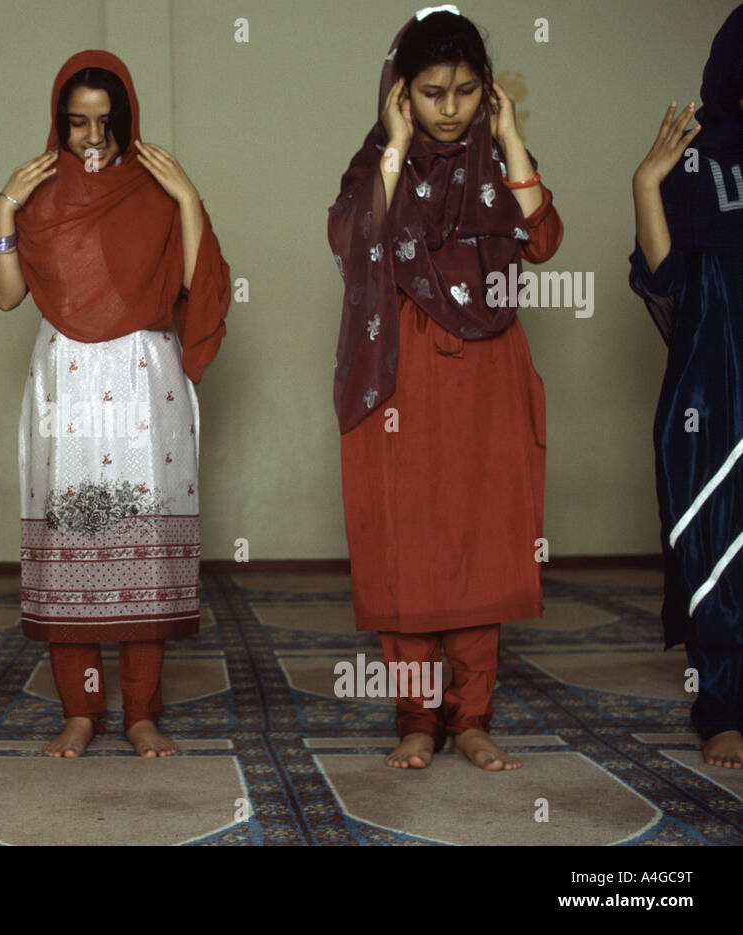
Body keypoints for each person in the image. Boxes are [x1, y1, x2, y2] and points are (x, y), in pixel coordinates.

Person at [328, 8, 563, 771]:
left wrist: (515, 138)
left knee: (483, 538)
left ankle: (472, 717)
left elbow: (546, 238)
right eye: (431, 92)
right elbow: (355, 237)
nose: (451, 107)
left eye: (466, 91)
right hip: (404, 371)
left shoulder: (495, 161)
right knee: (409, 540)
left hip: (488, 369)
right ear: (401, 93)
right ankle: (417, 720)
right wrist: (395, 144)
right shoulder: (376, 162)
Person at [0, 50, 230, 758]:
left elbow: (197, 282)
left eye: (106, 123)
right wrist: (4, 205)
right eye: (76, 124)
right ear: (58, 124)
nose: (92, 139)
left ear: (128, 122)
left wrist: (186, 198)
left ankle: (144, 712)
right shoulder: (37, 199)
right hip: (65, 378)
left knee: (144, 544)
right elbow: (5, 293)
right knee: (73, 544)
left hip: (144, 378)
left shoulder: (154, 193)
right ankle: (81, 709)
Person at [629, 5, 743, 769]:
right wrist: (646, 180)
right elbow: (664, 275)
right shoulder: (705, 157)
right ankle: (724, 707)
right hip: (717, 387)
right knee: (719, 548)